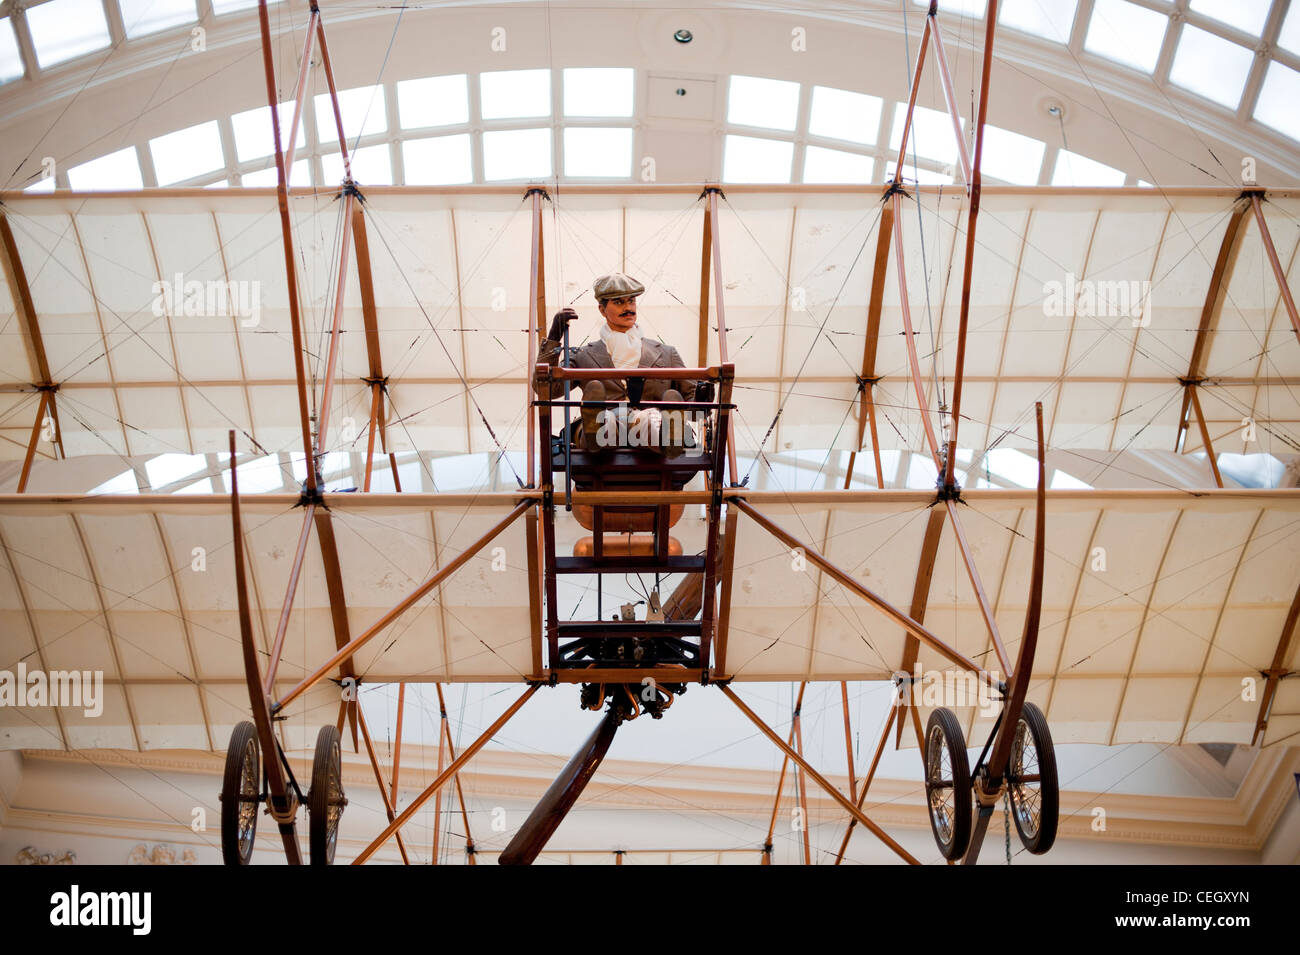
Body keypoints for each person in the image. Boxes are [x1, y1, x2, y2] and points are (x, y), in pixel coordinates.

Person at [533, 272, 714, 453]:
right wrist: (553, 338)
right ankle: (596, 426)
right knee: (607, 422)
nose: (628, 307)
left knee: (650, 420)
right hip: (609, 421)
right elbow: (548, 390)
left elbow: (694, 408)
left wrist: (702, 396)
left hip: (650, 423)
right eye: (619, 302)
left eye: (631, 301)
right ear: (602, 310)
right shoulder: (583, 355)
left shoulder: (666, 353)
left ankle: (669, 434)